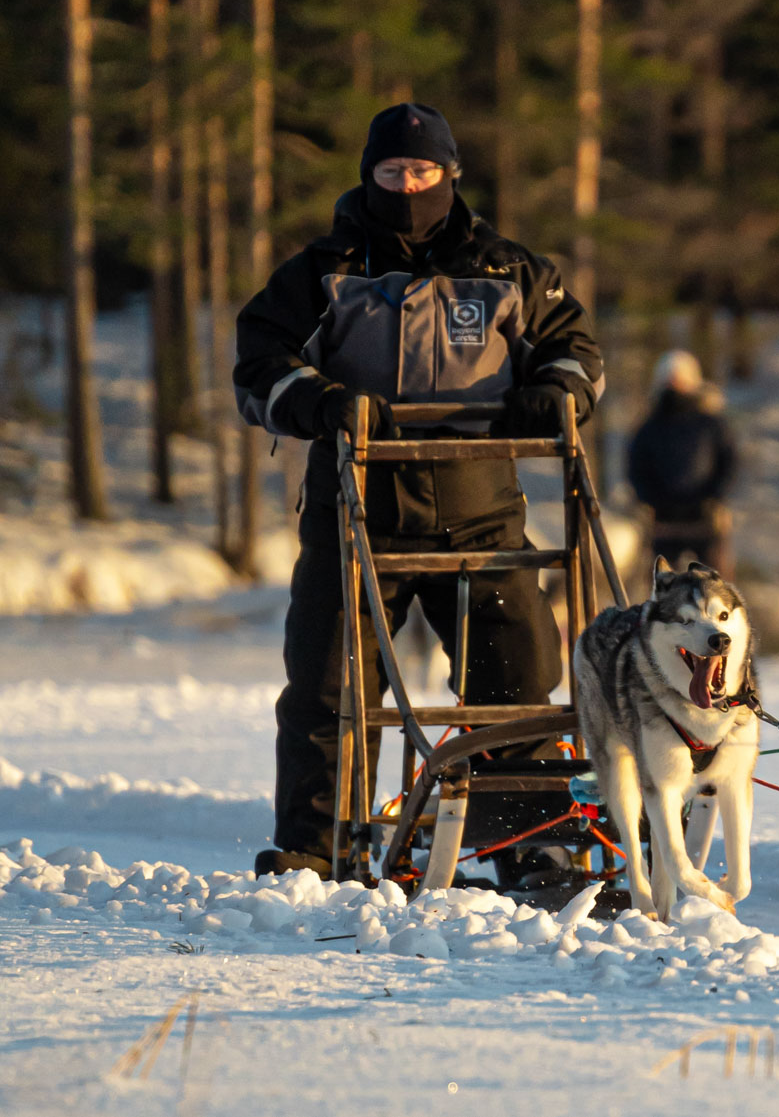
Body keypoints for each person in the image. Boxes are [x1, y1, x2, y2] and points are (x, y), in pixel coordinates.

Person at [233, 103, 603, 878]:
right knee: (331, 683)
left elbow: (574, 347)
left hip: (478, 508)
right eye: (393, 172)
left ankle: (530, 845)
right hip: (356, 501)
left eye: (423, 171)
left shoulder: (506, 270)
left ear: (450, 173)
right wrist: (318, 399)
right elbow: (259, 362)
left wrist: (559, 390)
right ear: (369, 175)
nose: (408, 185)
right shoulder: (321, 271)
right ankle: (319, 847)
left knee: (516, 676)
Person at [627, 350, 737, 576]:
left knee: (712, 589)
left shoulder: (711, 425)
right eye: (671, 379)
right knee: (665, 592)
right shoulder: (649, 428)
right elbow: (637, 468)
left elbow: (728, 462)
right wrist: (650, 499)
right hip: (664, 522)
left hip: (705, 519)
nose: (675, 384)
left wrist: (714, 495)